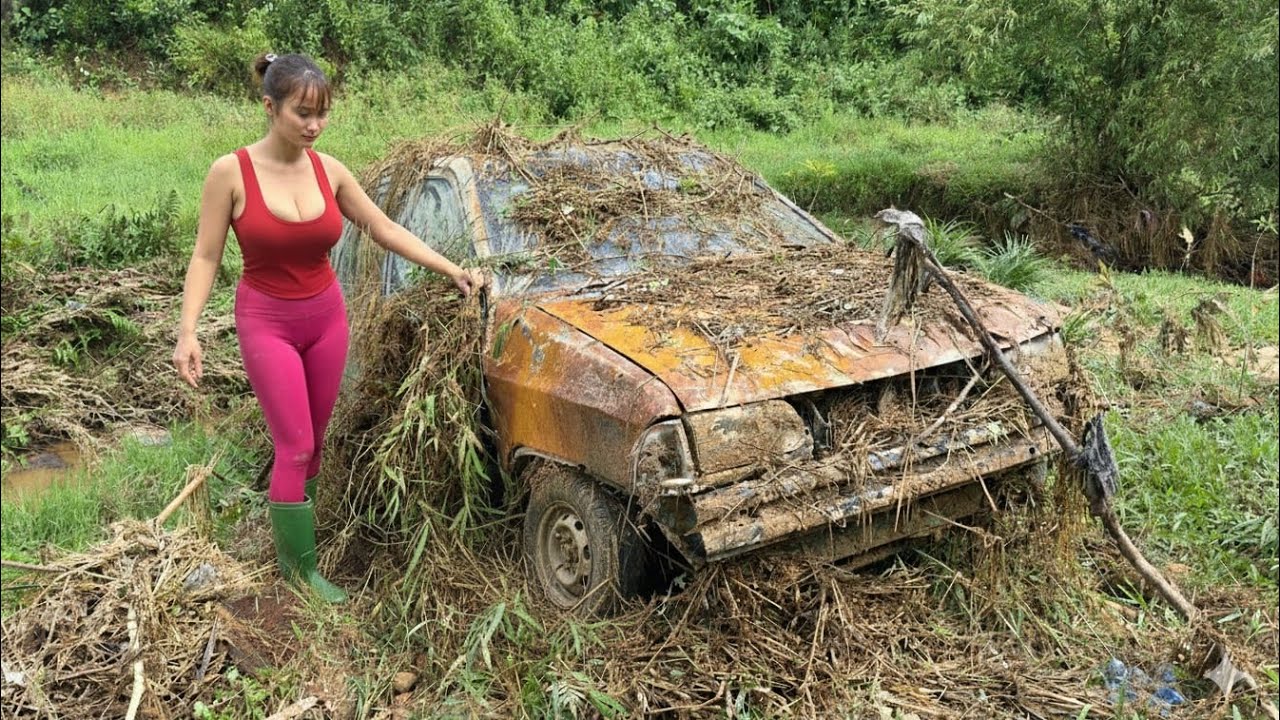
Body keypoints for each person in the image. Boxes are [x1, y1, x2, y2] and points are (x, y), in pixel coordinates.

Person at [173, 52, 484, 603]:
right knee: (293, 445)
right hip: (265, 321)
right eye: (302, 113)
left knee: (314, 447)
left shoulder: (329, 170)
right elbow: (205, 255)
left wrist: (452, 268)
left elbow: (384, 228)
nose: (314, 126)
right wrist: (188, 330)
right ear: (270, 107)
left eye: (322, 114)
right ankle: (298, 577)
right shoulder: (231, 172)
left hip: (325, 320)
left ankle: (300, 536)